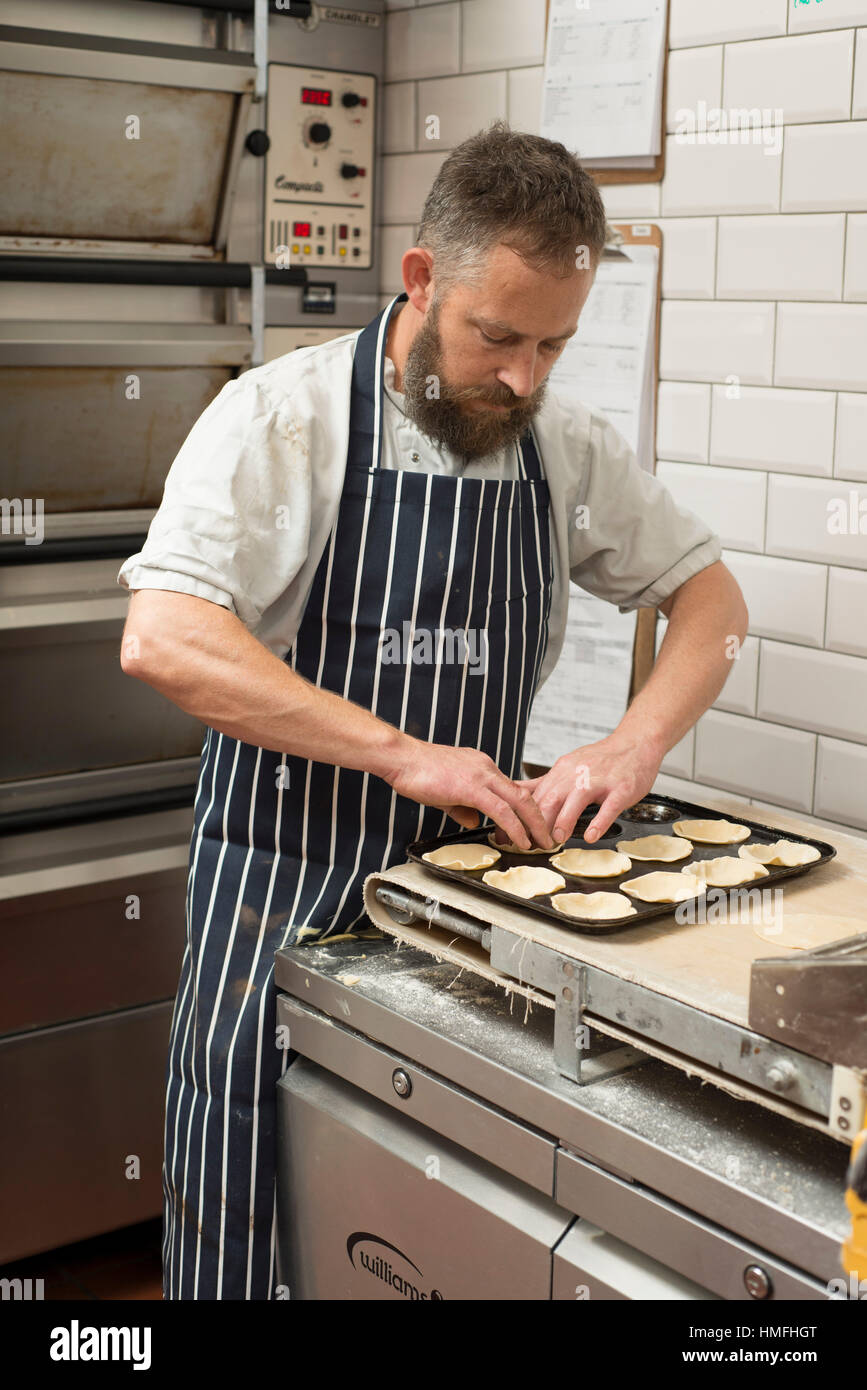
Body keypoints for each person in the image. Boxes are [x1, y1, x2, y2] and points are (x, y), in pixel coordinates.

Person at [118, 121, 747, 1299]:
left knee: (413, 1241)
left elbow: (710, 601)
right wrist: (402, 753)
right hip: (279, 910)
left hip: (464, 925)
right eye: (495, 337)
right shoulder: (285, 421)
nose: (522, 378)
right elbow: (166, 639)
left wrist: (633, 740)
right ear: (421, 281)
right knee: (246, 1229)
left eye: (553, 346)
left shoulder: (558, 448)